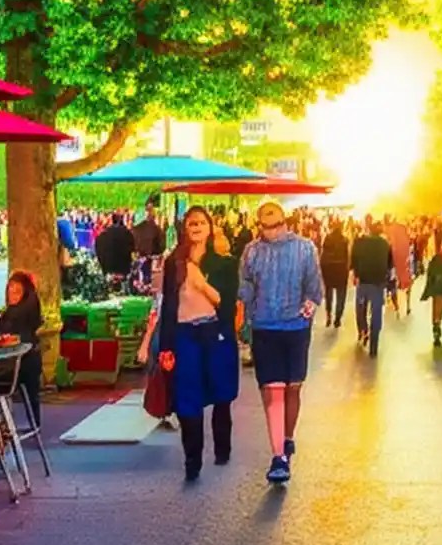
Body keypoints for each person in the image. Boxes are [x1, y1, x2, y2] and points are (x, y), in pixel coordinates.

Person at [239, 201, 322, 484]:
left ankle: (287, 437)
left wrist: (305, 313)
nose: (270, 230)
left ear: (285, 222)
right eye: (264, 225)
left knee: (292, 389)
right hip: (265, 328)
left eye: (274, 224)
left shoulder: (305, 248)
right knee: (274, 391)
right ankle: (278, 457)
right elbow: (246, 288)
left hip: (296, 328)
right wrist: (246, 322)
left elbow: (314, 288)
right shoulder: (252, 251)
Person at [156, 207, 240, 482]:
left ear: (210, 227)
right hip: (184, 334)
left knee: (221, 392)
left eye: (202, 222)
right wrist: (165, 346)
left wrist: (202, 283)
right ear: (184, 228)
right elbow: (168, 304)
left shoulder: (225, 264)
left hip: (214, 332)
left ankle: (222, 448)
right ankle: (192, 460)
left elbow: (227, 305)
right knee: (186, 398)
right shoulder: (173, 263)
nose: (197, 227)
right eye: (192, 222)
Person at [0, 271, 44, 425]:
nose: (12, 295)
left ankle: (4, 423)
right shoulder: (10, 312)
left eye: (16, 291)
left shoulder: (26, 310)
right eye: (9, 290)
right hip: (17, 359)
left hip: (24, 361)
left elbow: (23, 335)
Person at [351, 220, 392, 356]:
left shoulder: (360, 242)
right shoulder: (385, 244)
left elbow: (354, 258)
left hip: (363, 282)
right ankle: (374, 345)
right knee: (376, 313)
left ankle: (363, 330)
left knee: (360, 309)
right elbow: (390, 263)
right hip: (378, 284)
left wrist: (356, 273)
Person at [420, 232, 442, 347]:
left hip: (438, 284)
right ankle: (436, 326)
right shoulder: (441, 258)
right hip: (441, 285)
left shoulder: (441, 258)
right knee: (440, 306)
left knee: (438, 307)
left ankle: (436, 325)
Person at [320, 220, 350, 329]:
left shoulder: (327, 238)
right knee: (341, 296)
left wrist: (322, 270)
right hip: (341, 270)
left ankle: (328, 315)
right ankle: (338, 318)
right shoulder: (345, 240)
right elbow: (347, 257)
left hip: (329, 269)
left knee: (329, 293)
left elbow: (323, 255)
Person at [385, 217, 413, 316]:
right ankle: (408, 305)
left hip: (394, 264)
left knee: (393, 285)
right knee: (408, 283)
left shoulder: (391, 232)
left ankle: (397, 306)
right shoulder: (403, 232)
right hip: (405, 263)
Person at [95, 212, 136, 277]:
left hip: (108, 268)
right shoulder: (127, 234)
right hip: (123, 268)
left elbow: (98, 250)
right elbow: (133, 249)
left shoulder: (102, 235)